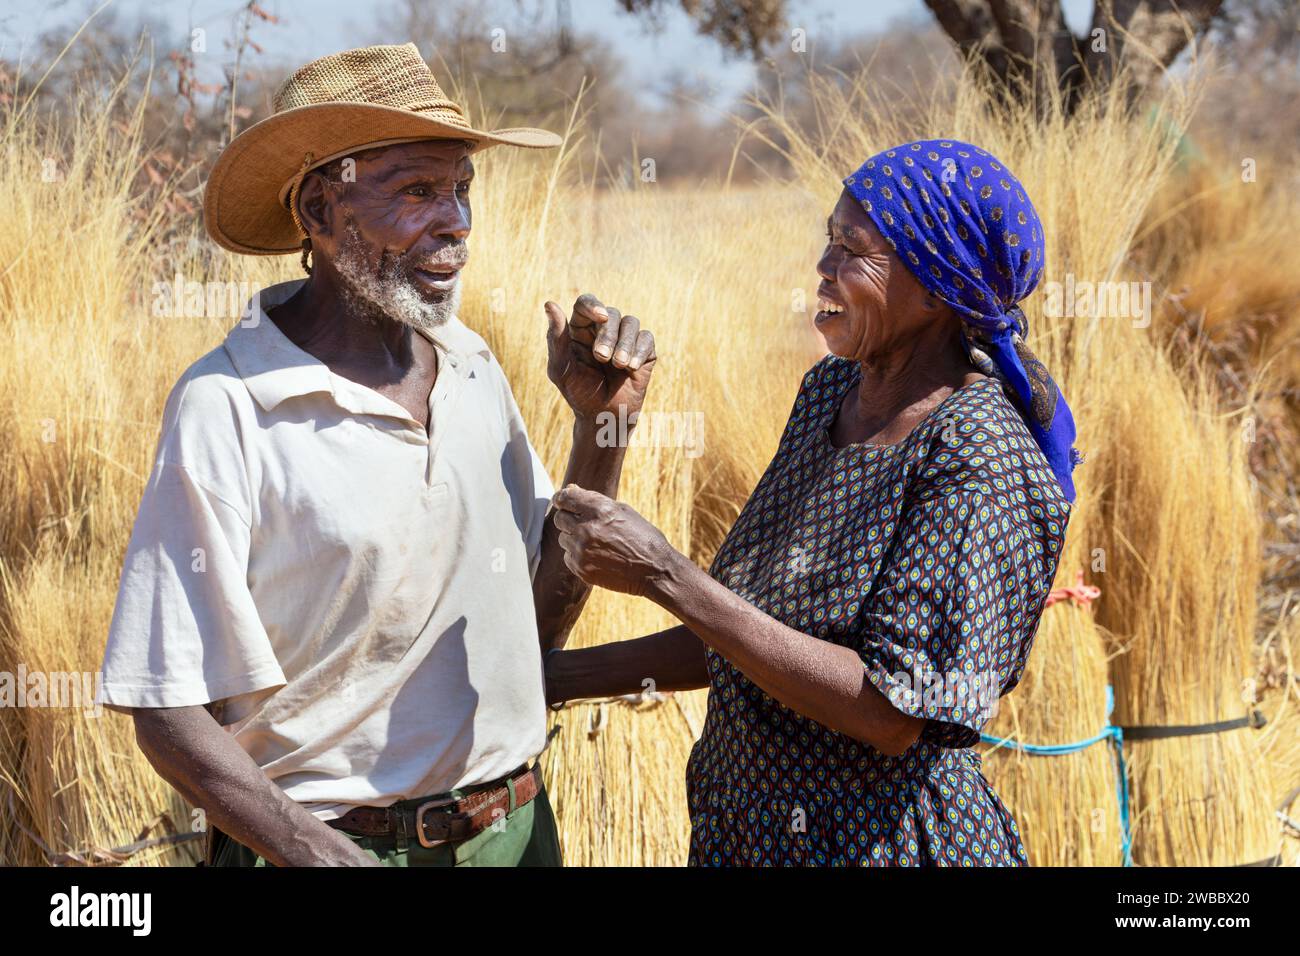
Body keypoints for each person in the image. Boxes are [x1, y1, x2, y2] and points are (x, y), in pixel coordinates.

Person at [96, 42, 657, 867]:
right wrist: (322, 855)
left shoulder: (470, 365)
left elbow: (533, 621)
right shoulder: (229, 405)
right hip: (324, 848)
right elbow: (166, 711)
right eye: (418, 191)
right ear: (321, 214)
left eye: (462, 190)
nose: (456, 222)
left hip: (512, 833)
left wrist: (601, 433)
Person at [544, 139, 1081, 866]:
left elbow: (892, 712)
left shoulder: (979, 454)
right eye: (828, 241)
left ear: (935, 284)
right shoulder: (830, 395)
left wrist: (664, 574)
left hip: (883, 848)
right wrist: (544, 682)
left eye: (851, 250)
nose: (822, 269)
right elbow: (748, 634)